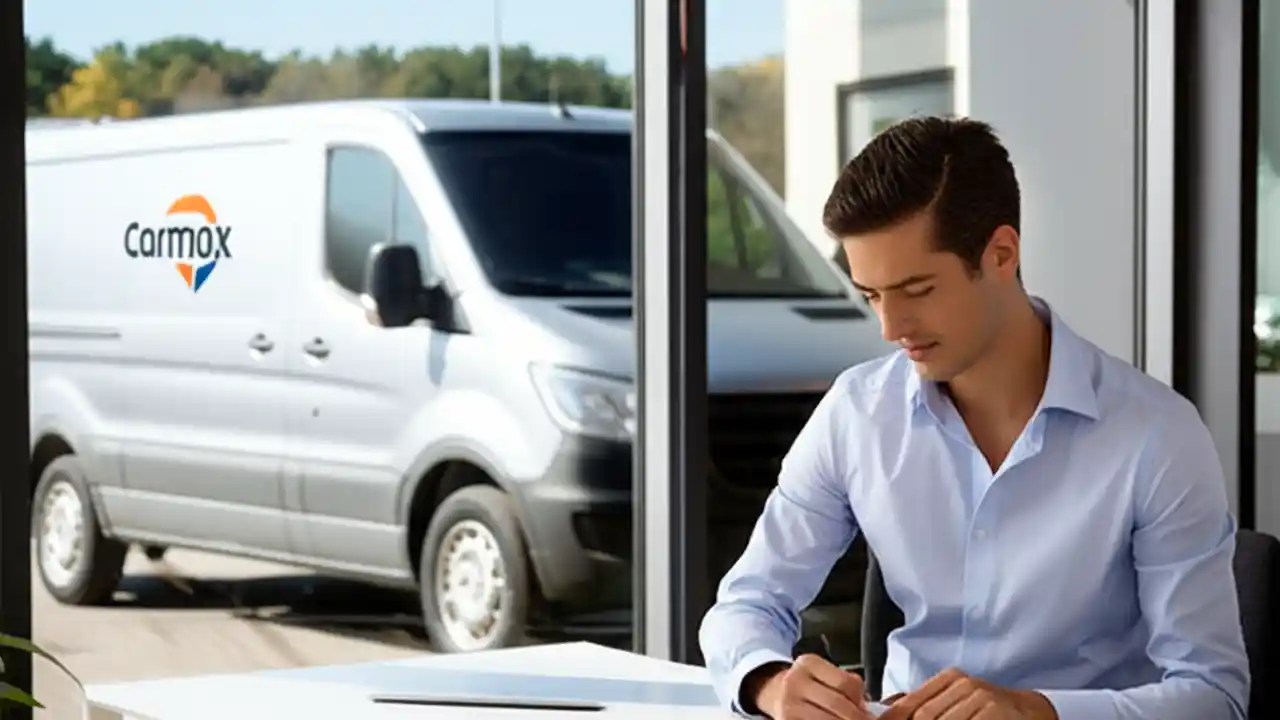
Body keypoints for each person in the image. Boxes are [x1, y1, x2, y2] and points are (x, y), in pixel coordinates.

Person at [698, 116, 1250, 720]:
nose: (890, 328)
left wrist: (1039, 712)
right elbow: (746, 603)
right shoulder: (857, 415)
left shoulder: (1156, 437)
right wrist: (770, 683)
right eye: (872, 295)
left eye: (918, 289)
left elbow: (1213, 696)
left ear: (1001, 254)